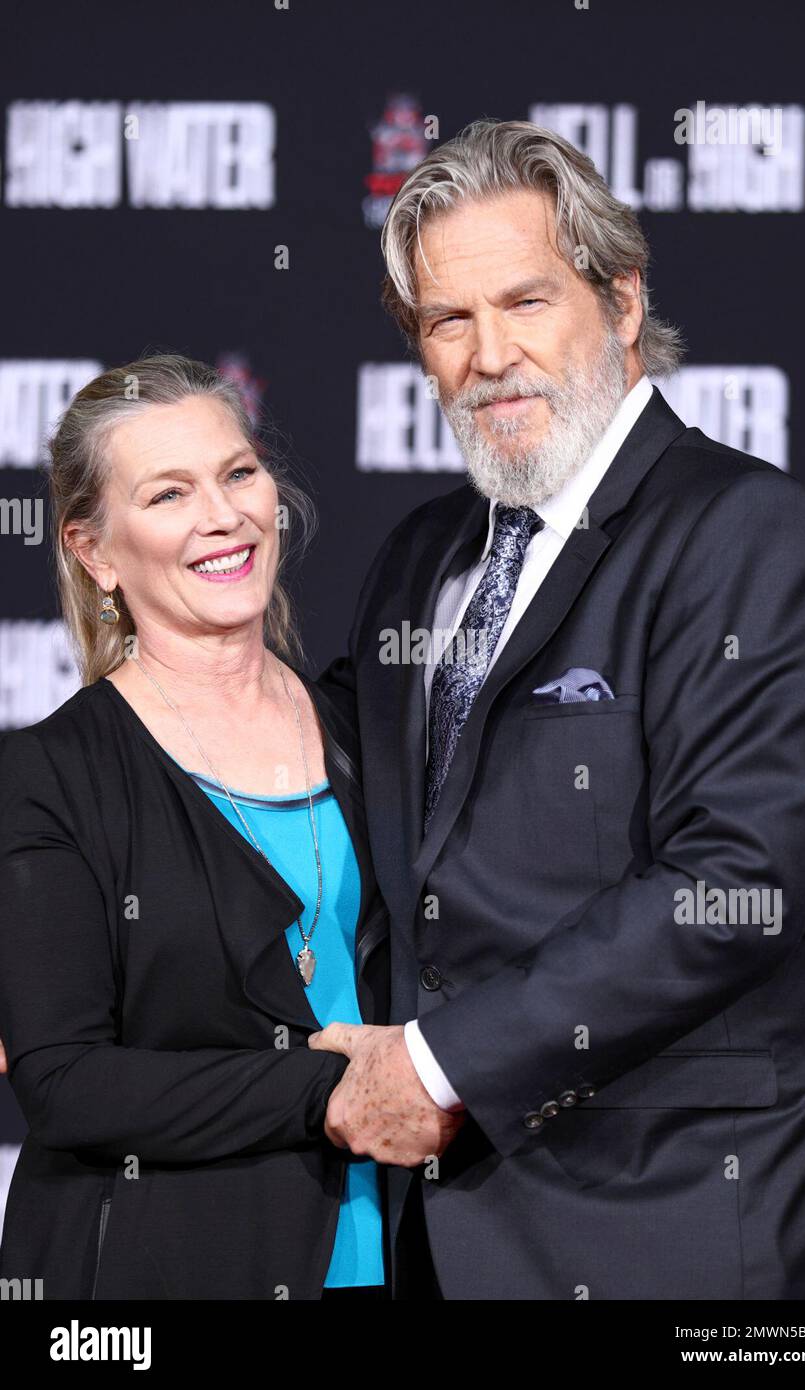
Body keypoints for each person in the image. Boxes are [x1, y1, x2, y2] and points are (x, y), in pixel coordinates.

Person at [305, 119, 805, 1300]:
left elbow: (731, 880)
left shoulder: (743, 532)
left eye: (525, 300)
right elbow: (310, 779)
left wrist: (437, 1065)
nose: (490, 353)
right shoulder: (419, 557)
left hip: (677, 1223)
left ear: (618, 303)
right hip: (439, 1234)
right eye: (448, 322)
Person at [0, 354, 460, 1300]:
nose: (223, 515)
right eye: (168, 494)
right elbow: (66, 1079)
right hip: (162, 1272)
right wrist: (328, 1093)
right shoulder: (51, 775)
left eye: (238, 472)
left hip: (408, 1255)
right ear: (94, 551)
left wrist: (728, 972)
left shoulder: (366, 724)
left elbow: (513, 908)